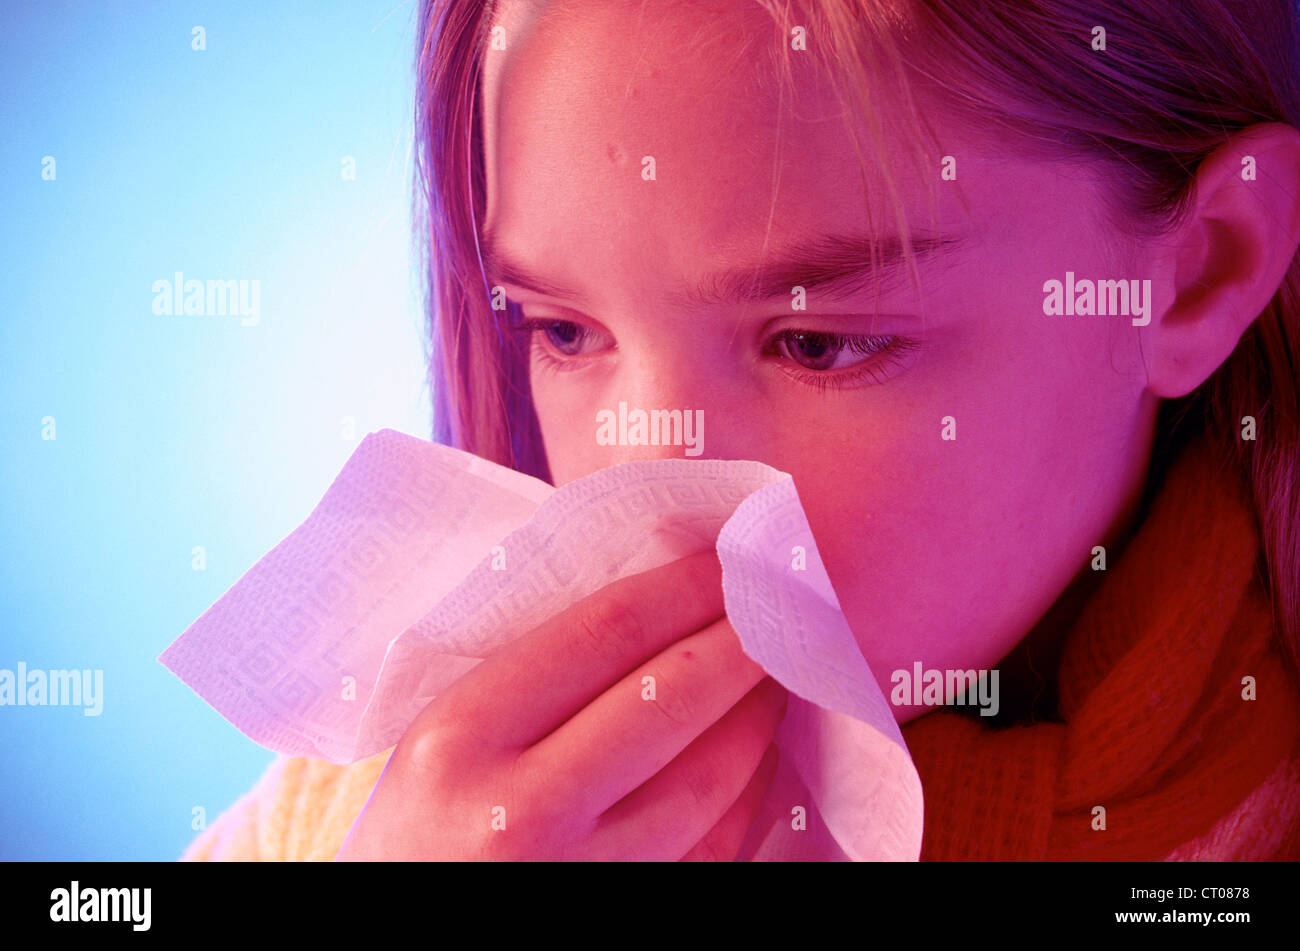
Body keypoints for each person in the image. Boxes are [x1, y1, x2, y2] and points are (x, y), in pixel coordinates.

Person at [182, 0, 1300, 861]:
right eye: (566, 333)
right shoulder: (368, 811)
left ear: (1202, 272)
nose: (646, 500)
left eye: (817, 345)